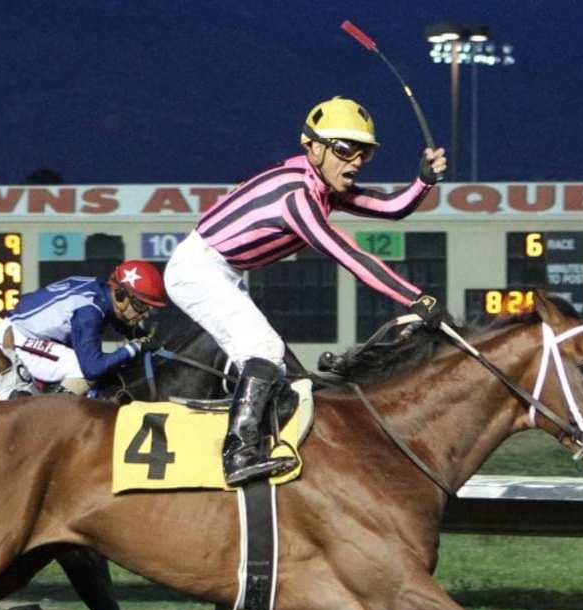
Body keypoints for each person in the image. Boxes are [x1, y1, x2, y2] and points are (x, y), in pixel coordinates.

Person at [163, 95, 448, 486]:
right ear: (312, 147)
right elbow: (346, 253)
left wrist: (423, 181)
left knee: (278, 365)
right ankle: (238, 454)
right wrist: (415, 298)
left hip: (221, 271)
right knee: (263, 351)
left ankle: (253, 437)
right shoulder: (295, 195)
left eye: (364, 153)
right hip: (198, 269)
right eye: (345, 149)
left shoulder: (320, 185)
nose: (356, 162)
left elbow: (390, 208)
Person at [0, 259, 166, 399]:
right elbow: (93, 368)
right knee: (81, 370)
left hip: (24, 329)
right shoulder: (89, 312)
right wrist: (135, 347)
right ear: (121, 296)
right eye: (142, 306)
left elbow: (114, 316)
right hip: (18, 338)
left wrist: (138, 335)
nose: (146, 314)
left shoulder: (101, 292)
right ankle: (50, 418)